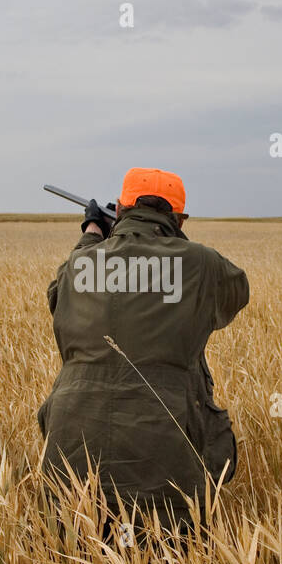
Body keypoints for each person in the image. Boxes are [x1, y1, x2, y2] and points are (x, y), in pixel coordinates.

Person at [38, 168, 249, 536]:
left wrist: (92, 235)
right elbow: (236, 294)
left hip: (71, 454)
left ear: (120, 210)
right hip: (165, 455)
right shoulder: (201, 262)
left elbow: (60, 296)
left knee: (73, 561)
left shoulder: (81, 263)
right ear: (179, 218)